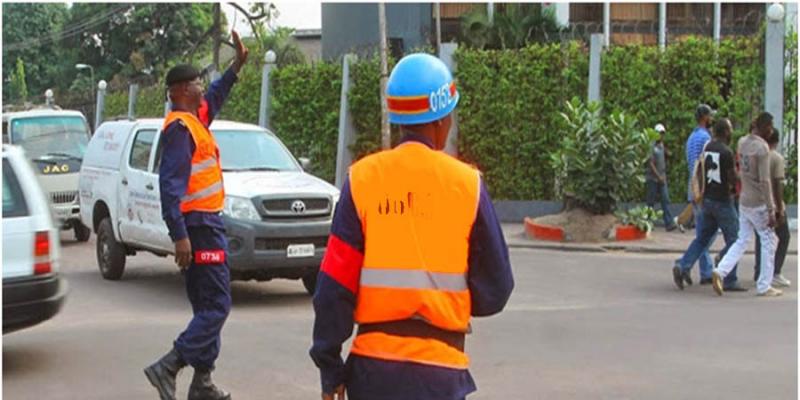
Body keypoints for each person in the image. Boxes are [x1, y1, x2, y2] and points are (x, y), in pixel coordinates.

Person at [309, 53, 514, 400]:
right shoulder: (467, 185)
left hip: (372, 371)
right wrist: (450, 301)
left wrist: (330, 367)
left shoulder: (362, 179)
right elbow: (497, 288)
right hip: (441, 370)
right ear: (441, 119)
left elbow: (334, 287)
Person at [144, 31, 248, 400]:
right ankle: (168, 366)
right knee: (218, 305)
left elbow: (218, 94)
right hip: (200, 228)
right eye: (198, 83)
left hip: (204, 224)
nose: (204, 87)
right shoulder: (179, 129)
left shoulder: (195, 121)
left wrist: (237, 65)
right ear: (181, 90)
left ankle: (202, 383)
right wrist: (180, 236)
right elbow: (169, 186)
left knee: (207, 306)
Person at [672, 118, 745, 291]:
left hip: (707, 200)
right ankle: (729, 276)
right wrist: (742, 179)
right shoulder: (726, 152)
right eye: (731, 129)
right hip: (723, 201)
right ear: (726, 132)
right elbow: (732, 178)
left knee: (702, 238)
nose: (732, 132)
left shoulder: (708, 148)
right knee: (735, 239)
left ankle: (683, 266)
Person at [712, 112, 780, 297]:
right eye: (770, 127)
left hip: (744, 200)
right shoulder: (762, 148)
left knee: (742, 240)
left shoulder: (742, 143)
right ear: (765, 127)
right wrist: (771, 209)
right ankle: (764, 285)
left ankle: (720, 270)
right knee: (769, 240)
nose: (771, 131)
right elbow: (765, 180)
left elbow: (740, 170)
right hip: (758, 202)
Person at [683, 104, 717, 284]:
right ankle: (684, 264)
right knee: (707, 234)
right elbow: (704, 165)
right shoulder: (705, 137)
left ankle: (705, 271)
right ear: (705, 117)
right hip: (702, 190)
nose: (712, 119)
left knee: (702, 232)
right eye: (710, 116)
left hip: (692, 187)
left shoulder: (691, 137)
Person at [753, 129, 791, 288]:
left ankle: (759, 271)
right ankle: (775, 272)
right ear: (776, 141)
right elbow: (777, 185)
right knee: (784, 237)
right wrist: (780, 209)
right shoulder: (776, 158)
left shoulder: (757, 156)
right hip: (772, 204)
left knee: (760, 238)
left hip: (756, 203)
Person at [646, 123, 679, 231]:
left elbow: (663, 154)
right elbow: (650, 163)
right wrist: (658, 176)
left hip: (662, 177)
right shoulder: (651, 146)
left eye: (662, 134)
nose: (661, 136)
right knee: (650, 201)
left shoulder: (661, 145)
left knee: (665, 199)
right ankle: (647, 223)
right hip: (653, 177)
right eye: (659, 133)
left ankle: (669, 222)